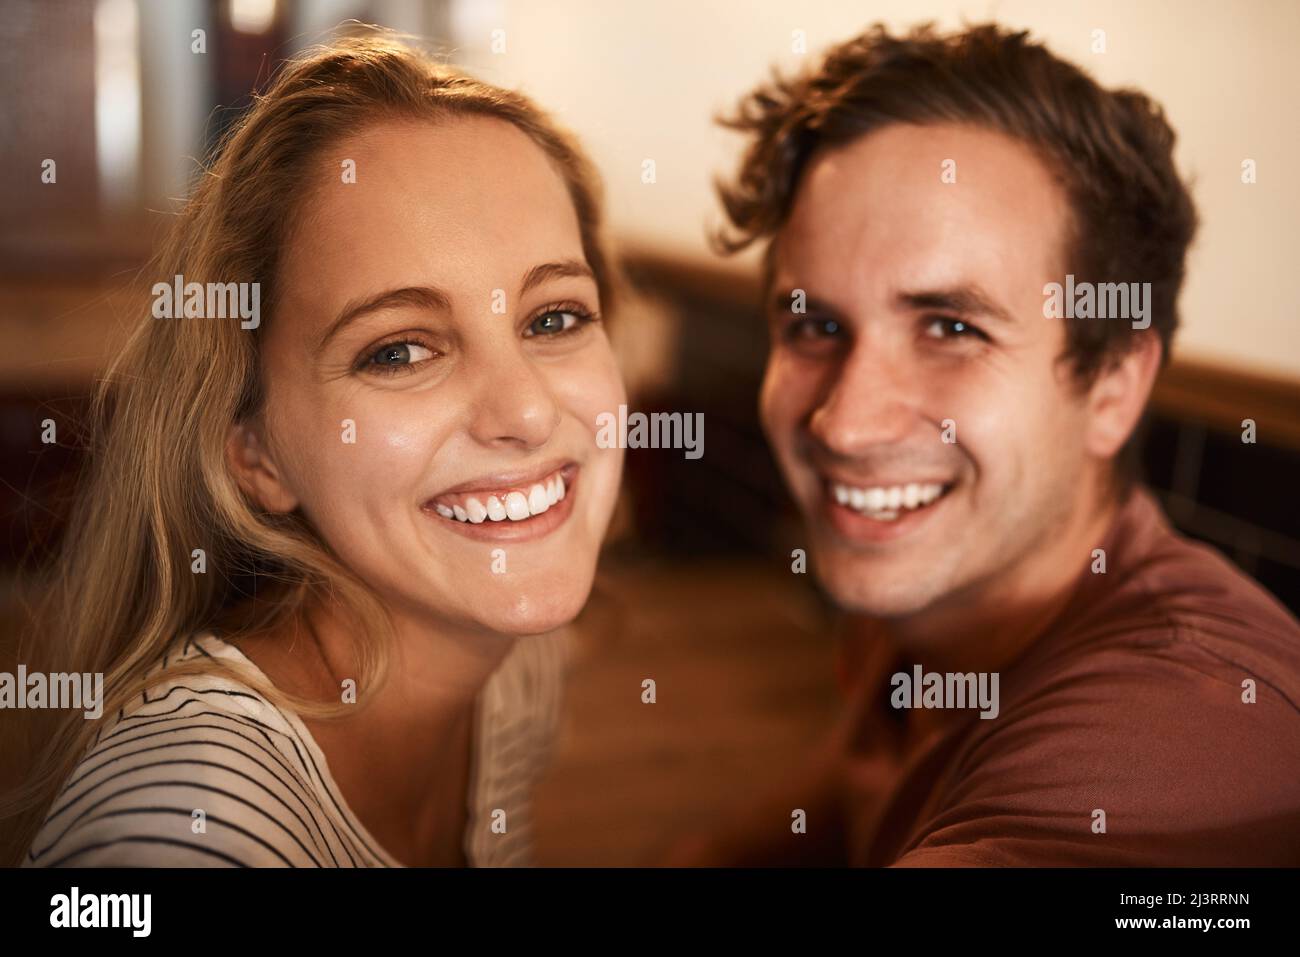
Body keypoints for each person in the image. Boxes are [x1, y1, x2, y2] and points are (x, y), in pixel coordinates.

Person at [669, 22, 1300, 865]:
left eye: (951, 327)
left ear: (1113, 385)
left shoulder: (1187, 722)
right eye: (815, 324)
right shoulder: (934, 598)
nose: (844, 424)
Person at [7, 32, 626, 867]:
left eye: (553, 318)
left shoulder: (516, 668)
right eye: (398, 349)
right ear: (254, 451)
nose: (523, 409)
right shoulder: (188, 824)